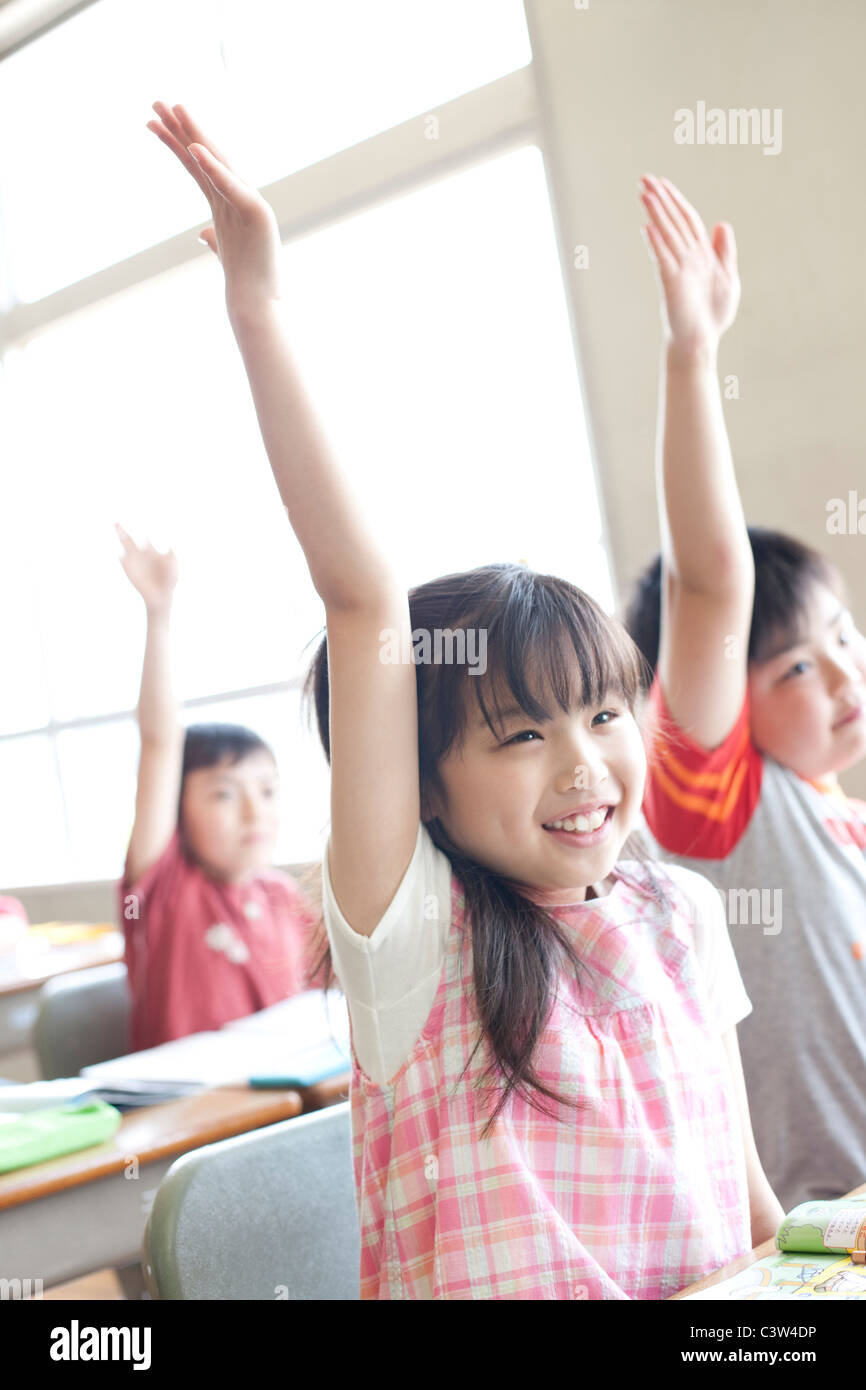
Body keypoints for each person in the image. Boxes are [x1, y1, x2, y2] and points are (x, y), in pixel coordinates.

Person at [146, 101, 781, 1300]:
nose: (582, 763)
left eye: (600, 715)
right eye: (520, 733)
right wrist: (259, 309)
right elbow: (364, 600)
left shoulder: (679, 915)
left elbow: (743, 1206)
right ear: (427, 781)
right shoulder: (417, 943)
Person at [627, 173, 866, 1212]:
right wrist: (692, 353)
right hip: (813, 1238)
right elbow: (709, 578)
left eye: (844, 638)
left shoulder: (835, 818)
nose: (842, 676)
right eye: (796, 668)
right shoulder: (720, 811)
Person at [116, 524, 321, 1050]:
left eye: (268, 791)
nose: (256, 812)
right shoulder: (167, 890)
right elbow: (160, 742)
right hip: (192, 1118)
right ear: (176, 815)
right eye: (225, 794)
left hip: (280, 1114)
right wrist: (157, 613)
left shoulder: (283, 896)